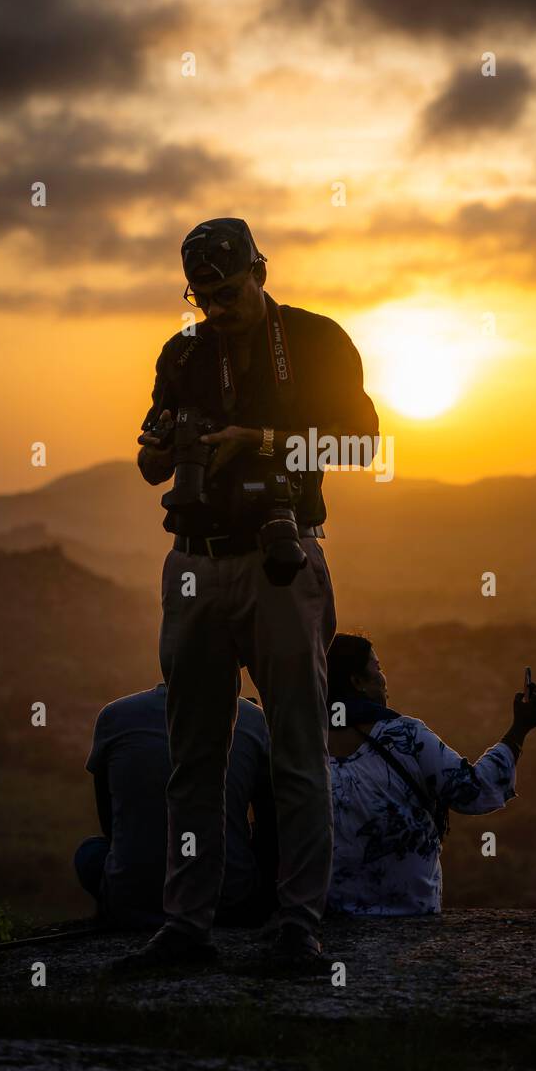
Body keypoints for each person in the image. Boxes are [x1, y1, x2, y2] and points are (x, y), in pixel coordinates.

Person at [115, 217, 378, 975]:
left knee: (296, 751)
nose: (215, 306)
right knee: (191, 758)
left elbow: (361, 443)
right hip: (194, 560)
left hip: (283, 560)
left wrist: (258, 442)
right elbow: (148, 469)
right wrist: (164, 450)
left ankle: (299, 924)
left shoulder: (318, 340)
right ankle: (186, 924)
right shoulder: (183, 352)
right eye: (201, 295)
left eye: (227, 290)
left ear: (261, 270)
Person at [325, 633, 536, 915]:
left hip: (329, 921)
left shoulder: (298, 741)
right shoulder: (405, 736)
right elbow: (473, 791)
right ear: (358, 682)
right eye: (377, 668)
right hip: (408, 918)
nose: (384, 678)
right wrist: (519, 730)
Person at [75, 686, 277, 930]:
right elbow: (271, 827)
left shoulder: (114, 715)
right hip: (230, 904)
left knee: (90, 852)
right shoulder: (254, 718)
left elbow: (110, 825)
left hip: (132, 904)